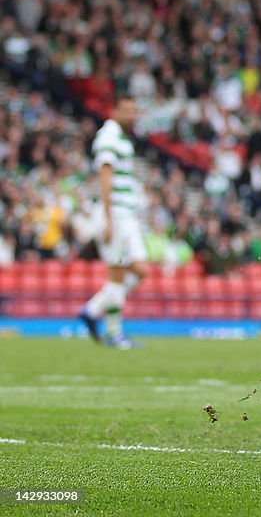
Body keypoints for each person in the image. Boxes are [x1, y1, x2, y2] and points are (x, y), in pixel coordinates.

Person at [78, 97, 149, 349]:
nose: (131, 115)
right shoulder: (108, 136)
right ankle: (114, 332)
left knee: (141, 269)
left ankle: (93, 308)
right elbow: (104, 177)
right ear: (114, 109)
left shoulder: (120, 137)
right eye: (127, 110)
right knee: (117, 275)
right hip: (115, 215)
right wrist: (108, 219)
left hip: (126, 215)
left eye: (134, 110)